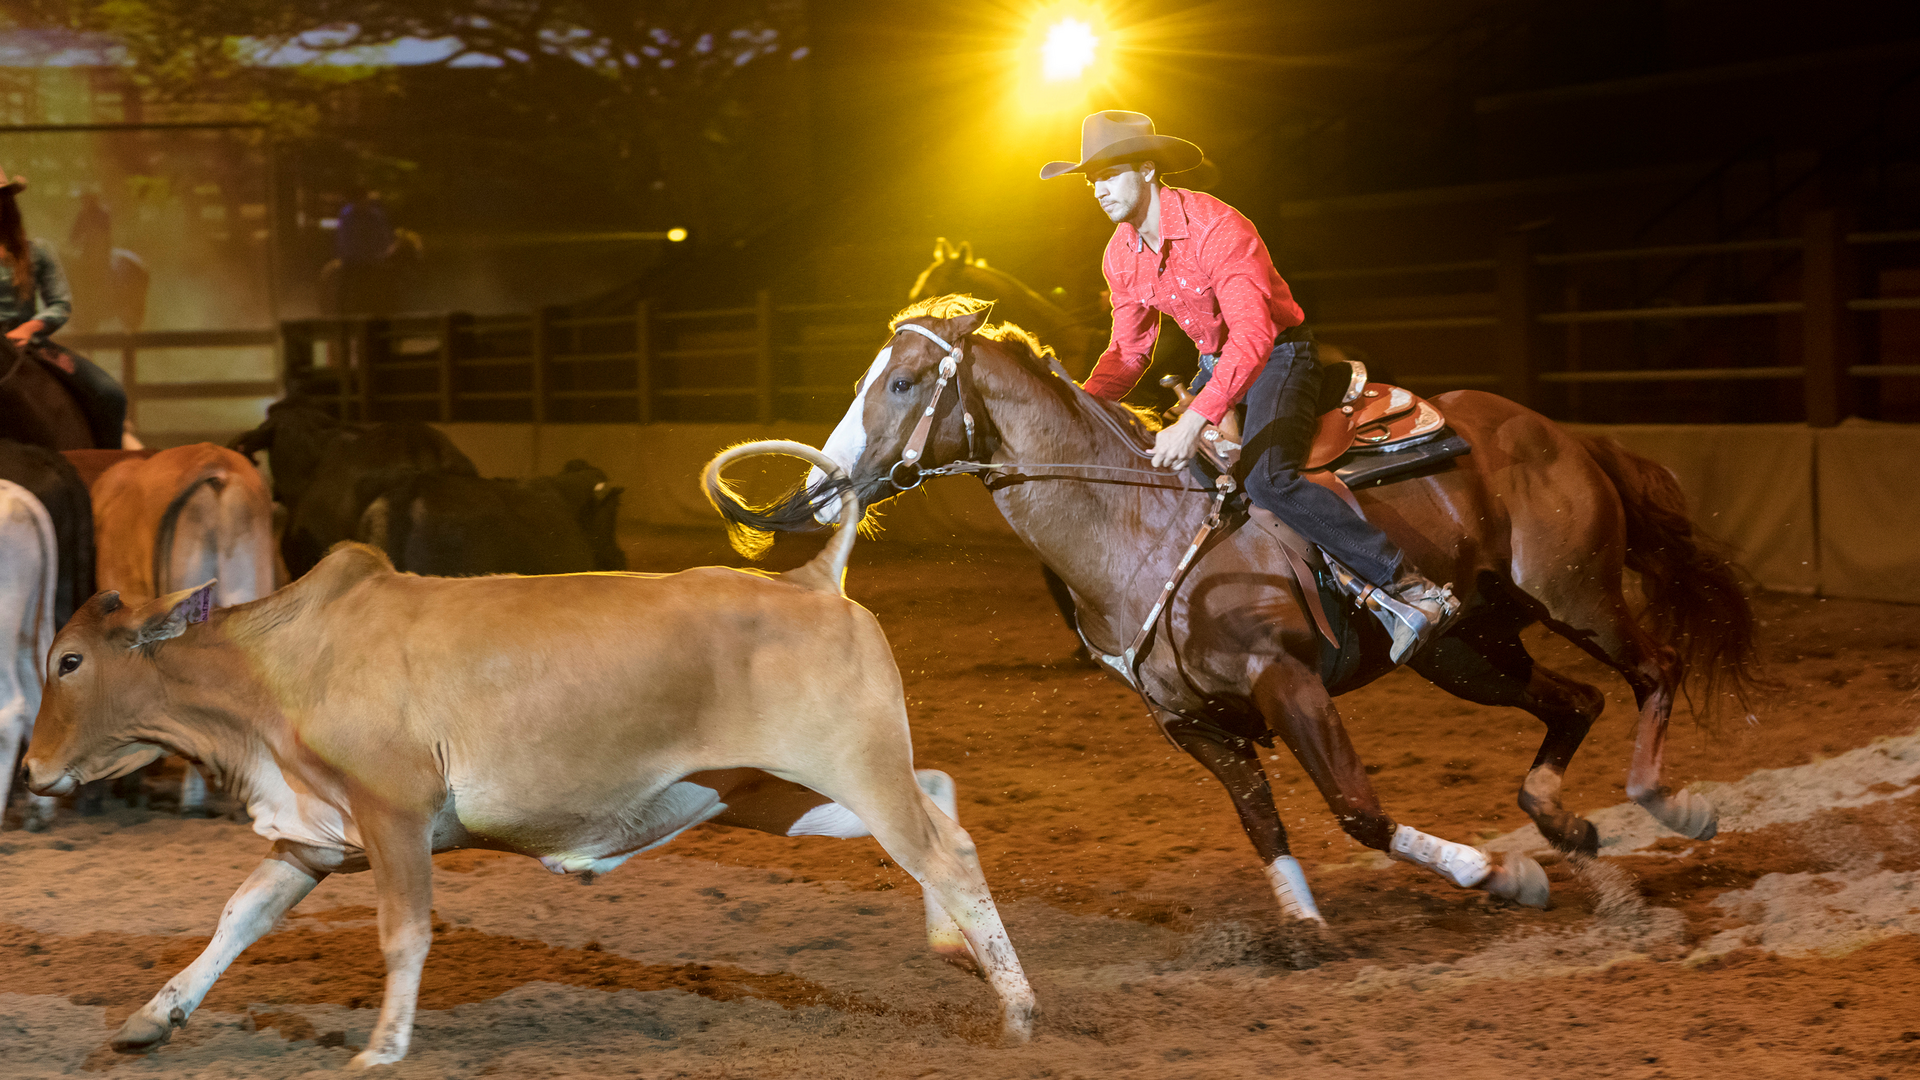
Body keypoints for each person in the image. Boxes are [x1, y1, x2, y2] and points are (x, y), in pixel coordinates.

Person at [1040, 111, 1459, 664]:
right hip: (1220, 362)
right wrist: (1080, 409)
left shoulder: (1218, 228)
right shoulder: (1120, 254)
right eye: (1090, 180)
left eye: (1108, 175)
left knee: (1268, 479)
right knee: (1181, 486)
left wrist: (1195, 418)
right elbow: (1128, 352)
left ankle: (1408, 588)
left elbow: (1255, 334)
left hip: (1279, 355)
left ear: (1146, 170)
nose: (1097, 190)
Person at [0, 165, 132, 449]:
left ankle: (104, 466)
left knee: (109, 394)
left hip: (28, 342)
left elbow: (60, 303)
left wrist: (30, 327)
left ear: (6, 204)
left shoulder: (37, 252)